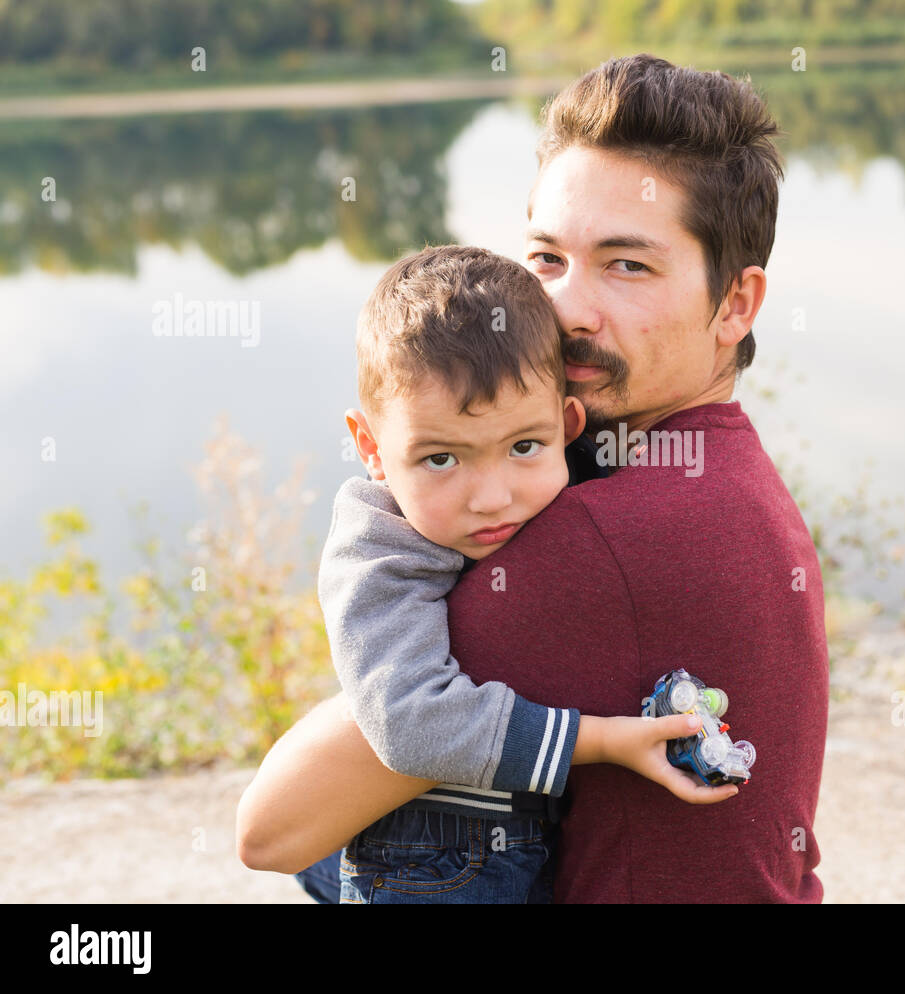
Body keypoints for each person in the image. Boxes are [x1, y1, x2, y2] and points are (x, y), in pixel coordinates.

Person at [237, 52, 829, 903]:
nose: (565, 310)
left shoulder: (609, 534)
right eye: (547, 259)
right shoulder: (727, 474)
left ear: (735, 305)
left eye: (628, 265)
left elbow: (274, 827)